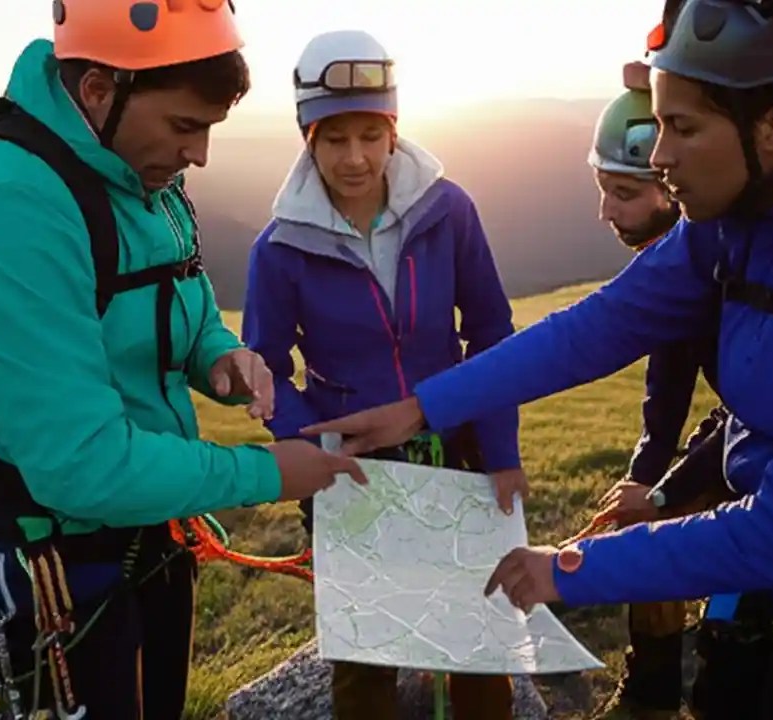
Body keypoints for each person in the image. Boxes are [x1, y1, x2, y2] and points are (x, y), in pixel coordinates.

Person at [305, 1, 773, 717]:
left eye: (682, 127)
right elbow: (598, 327)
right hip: (757, 576)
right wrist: (426, 406)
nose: (657, 157)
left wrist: (568, 570)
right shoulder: (750, 203)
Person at [0, 2, 364, 717]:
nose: (200, 155)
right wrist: (269, 472)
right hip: (54, 562)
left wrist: (217, 356)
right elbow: (82, 466)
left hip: (145, 537)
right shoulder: (7, 208)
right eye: (186, 126)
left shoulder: (136, 171)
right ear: (98, 88)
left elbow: (184, 294)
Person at [241, 29, 526, 720]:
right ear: (306, 136)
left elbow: (490, 331)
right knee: (365, 656)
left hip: (455, 453)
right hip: (351, 476)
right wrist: (314, 447)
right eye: (334, 137)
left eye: (372, 133)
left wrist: (501, 455)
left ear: (394, 128)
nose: (356, 157)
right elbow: (266, 368)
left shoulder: (448, 210)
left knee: (478, 641)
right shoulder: (281, 247)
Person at [584, 73, 735, 720]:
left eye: (624, 192)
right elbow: (666, 395)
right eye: (604, 190)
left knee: (691, 537)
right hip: (742, 425)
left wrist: (665, 492)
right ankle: (651, 691)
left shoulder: (735, 266)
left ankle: (710, 687)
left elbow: (767, 411)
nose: (606, 211)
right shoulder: (682, 267)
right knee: (643, 519)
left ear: (674, 188)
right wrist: (640, 486)